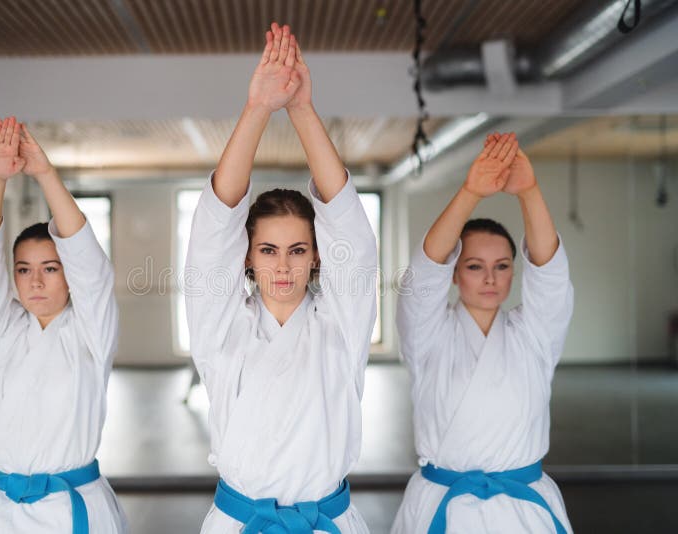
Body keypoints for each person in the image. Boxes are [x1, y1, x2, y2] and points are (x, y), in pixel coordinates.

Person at [185, 23, 378, 534]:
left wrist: (301, 110)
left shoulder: (343, 324)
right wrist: (257, 110)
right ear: (246, 258)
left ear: (318, 257)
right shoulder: (221, 326)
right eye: (267, 250)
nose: (283, 265)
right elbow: (211, 237)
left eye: (298, 249)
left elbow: (352, 238)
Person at [391, 133, 574, 533]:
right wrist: (470, 192)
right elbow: (423, 276)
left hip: (524, 511)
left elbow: (551, 279)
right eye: (475, 266)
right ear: (454, 274)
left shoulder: (535, 336)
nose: (490, 278)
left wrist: (529, 191)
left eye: (503, 266)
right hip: (444, 505)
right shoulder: (428, 335)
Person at [0, 116, 127, 533]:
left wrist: (46, 175)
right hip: (0, 510)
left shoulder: (91, 331)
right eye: (24, 269)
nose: (35, 280)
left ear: (69, 273)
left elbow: (92, 268)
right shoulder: (2, 330)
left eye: (51, 268)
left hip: (71, 509)